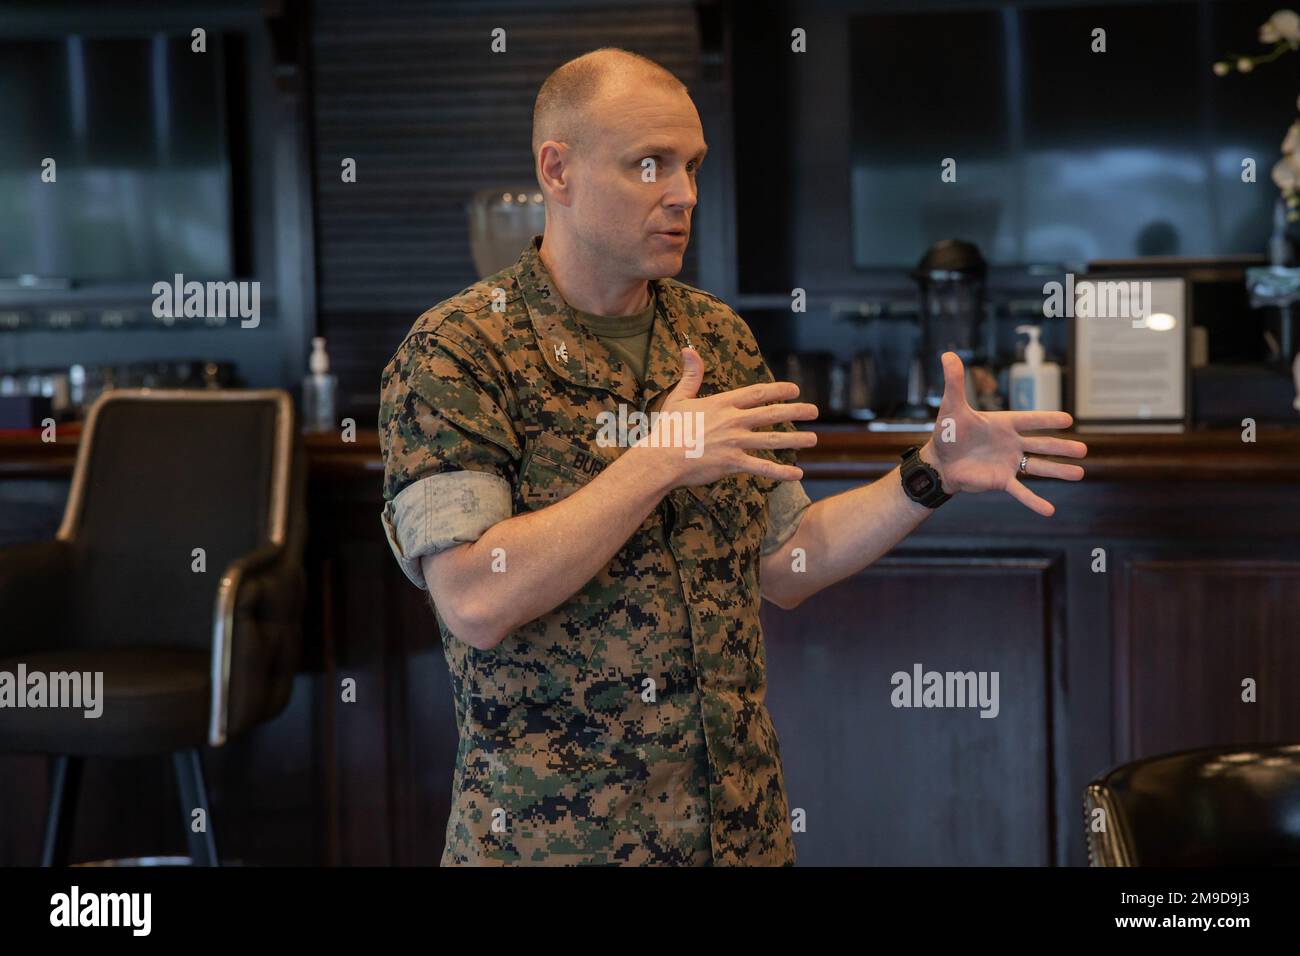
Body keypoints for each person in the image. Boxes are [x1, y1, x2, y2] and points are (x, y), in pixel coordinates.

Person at [378, 48, 1087, 866]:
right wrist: (661, 459)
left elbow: (784, 564)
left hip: (738, 834)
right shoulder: (460, 351)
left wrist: (925, 475)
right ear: (558, 171)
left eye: (691, 166)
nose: (682, 194)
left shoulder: (714, 337)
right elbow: (472, 598)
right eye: (649, 164)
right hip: (555, 843)